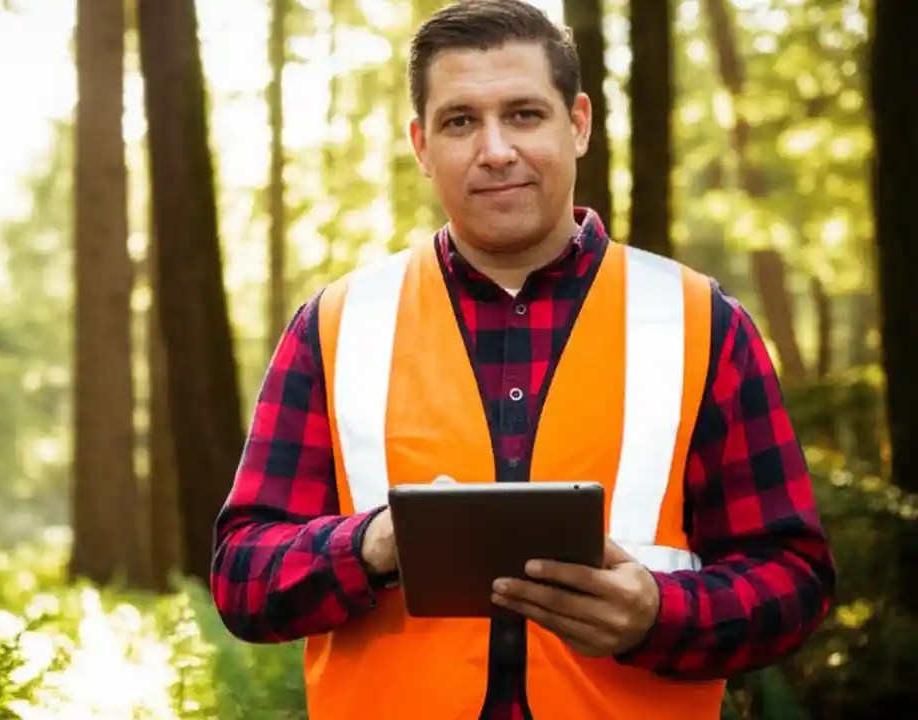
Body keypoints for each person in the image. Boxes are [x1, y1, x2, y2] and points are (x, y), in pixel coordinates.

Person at [210, 1, 836, 718]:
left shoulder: (703, 324)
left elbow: (796, 578)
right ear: (421, 145)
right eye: (460, 121)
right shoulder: (335, 326)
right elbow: (241, 579)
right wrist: (372, 543)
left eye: (524, 114)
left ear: (578, 124)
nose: (495, 149)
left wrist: (661, 613)